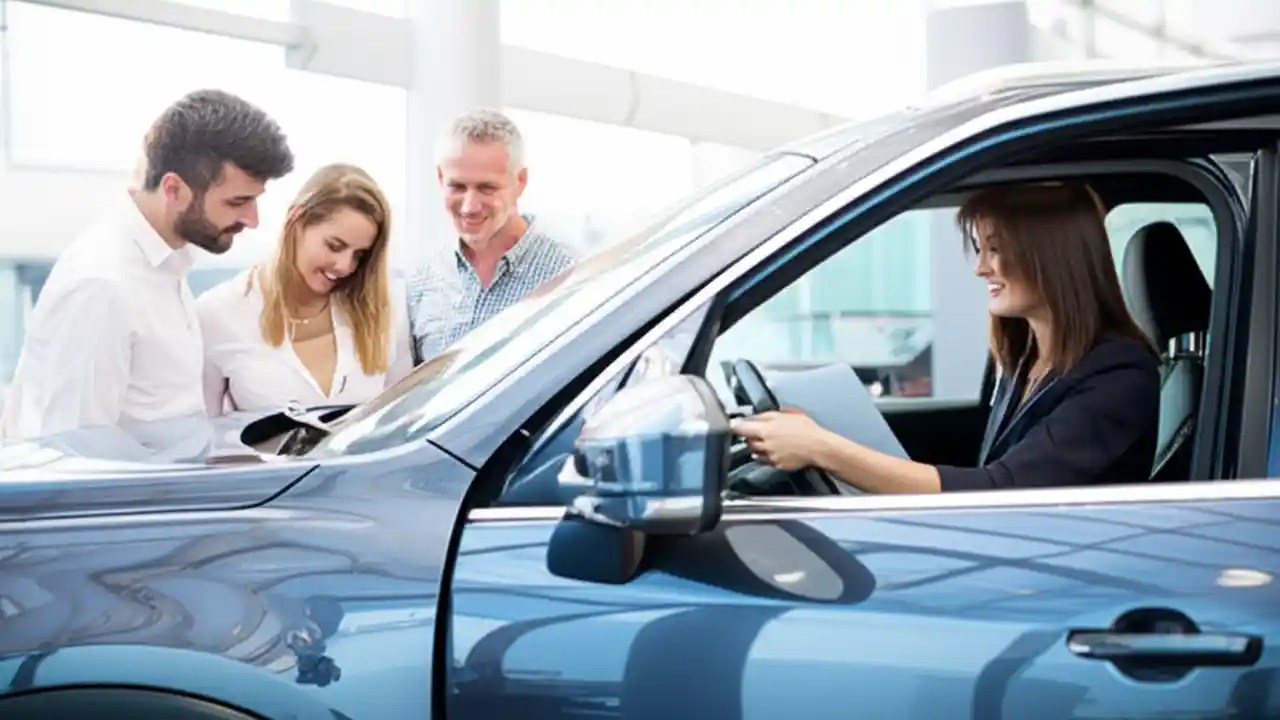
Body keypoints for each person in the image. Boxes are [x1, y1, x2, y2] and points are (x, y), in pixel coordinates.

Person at [732, 182, 1161, 493]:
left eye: (995, 248)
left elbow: (999, 492)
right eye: (979, 249)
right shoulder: (1025, 356)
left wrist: (821, 449)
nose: (980, 268)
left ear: (1050, 255)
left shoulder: (1119, 376)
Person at [0, 89, 293, 444]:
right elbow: (71, 453)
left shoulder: (167, 265)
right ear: (174, 189)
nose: (252, 219)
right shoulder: (102, 284)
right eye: (238, 202)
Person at [198, 163, 413, 415]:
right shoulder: (217, 314)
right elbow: (202, 436)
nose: (346, 266)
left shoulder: (386, 307)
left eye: (360, 255)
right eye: (334, 246)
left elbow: (401, 420)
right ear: (296, 220)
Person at [407, 108, 576, 363]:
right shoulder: (421, 282)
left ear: (520, 181)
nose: (469, 206)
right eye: (457, 186)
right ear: (440, 178)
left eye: (487, 188)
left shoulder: (568, 274)